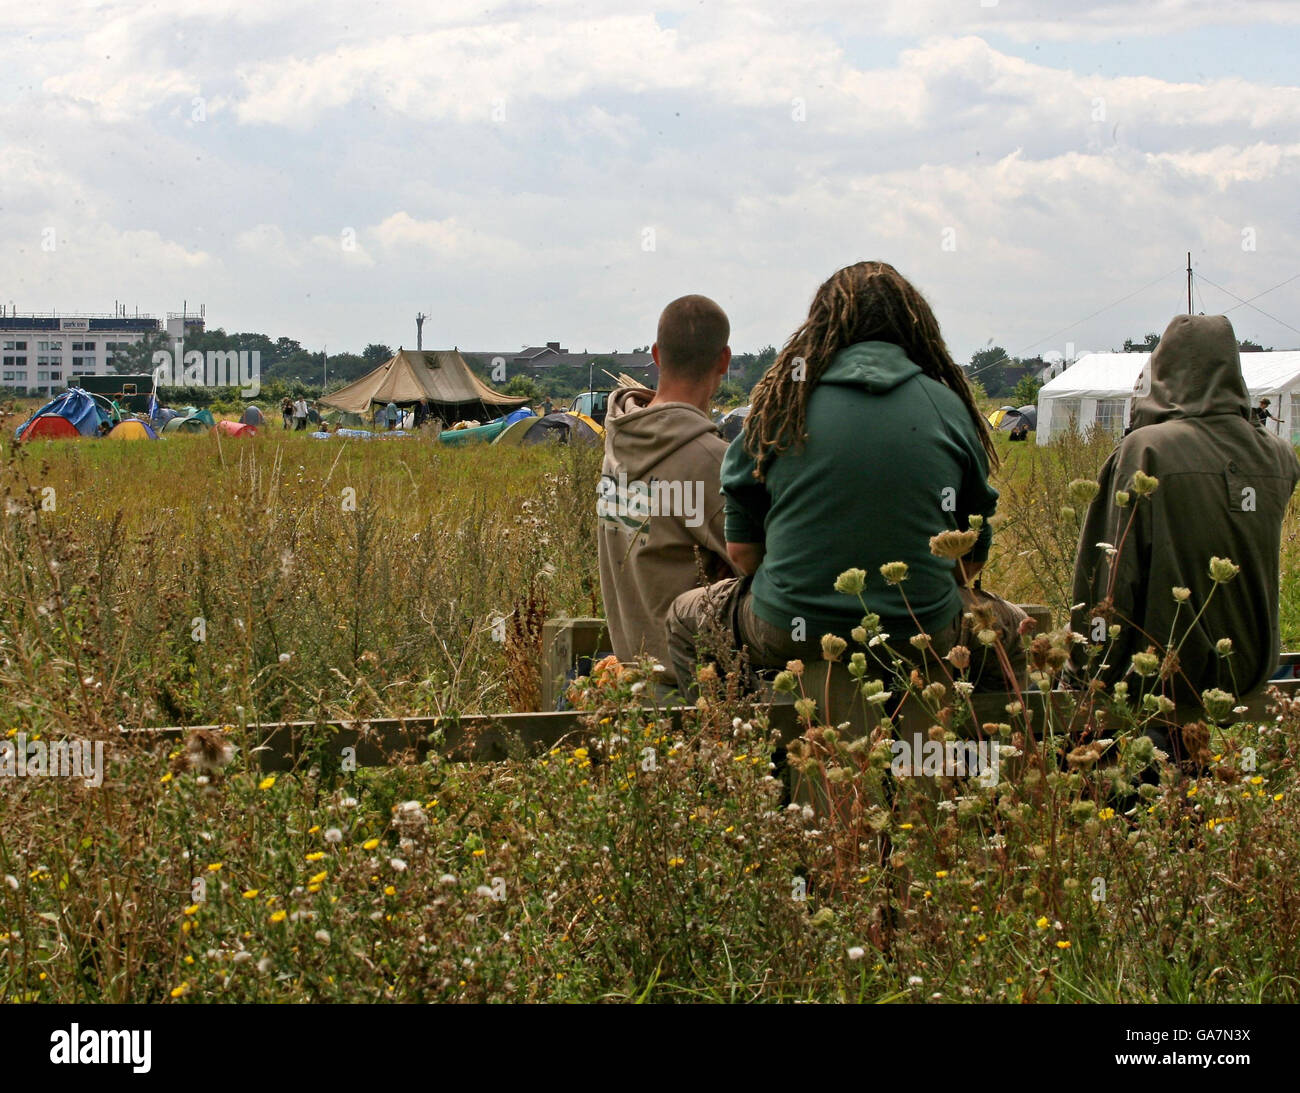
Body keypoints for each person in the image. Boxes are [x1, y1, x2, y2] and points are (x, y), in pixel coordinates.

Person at [666, 261, 1026, 692]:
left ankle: (745, 739)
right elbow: (969, 563)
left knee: (685, 619)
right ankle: (985, 750)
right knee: (1015, 632)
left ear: (819, 327)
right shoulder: (948, 407)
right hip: (924, 635)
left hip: (785, 629)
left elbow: (742, 552)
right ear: (916, 329)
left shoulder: (783, 401)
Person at [1072, 314, 1300, 719]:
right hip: (1252, 663)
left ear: (1160, 370)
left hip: (1163, 672)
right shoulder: (1278, 454)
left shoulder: (1147, 449)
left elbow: (1109, 576)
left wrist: (1087, 666)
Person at [597, 295, 737, 688]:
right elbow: (769, 572)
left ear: (657, 355)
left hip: (631, 682)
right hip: (694, 689)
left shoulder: (620, 443)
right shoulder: (712, 462)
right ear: (724, 360)